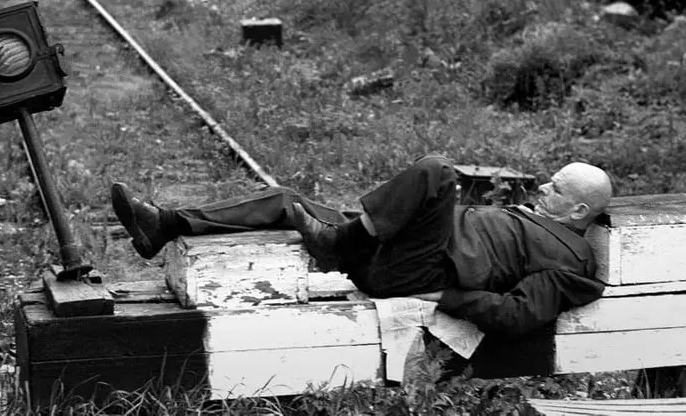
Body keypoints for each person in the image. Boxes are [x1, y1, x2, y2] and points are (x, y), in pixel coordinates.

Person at [110, 154, 613, 336]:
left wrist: (442, 298)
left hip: (422, 275)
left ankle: (340, 241)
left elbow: (517, 317)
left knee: (437, 171)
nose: (543, 189)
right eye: (549, 182)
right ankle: (165, 225)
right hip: (398, 250)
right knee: (286, 201)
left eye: (556, 189)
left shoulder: (573, 264)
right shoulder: (531, 216)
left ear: (577, 212)